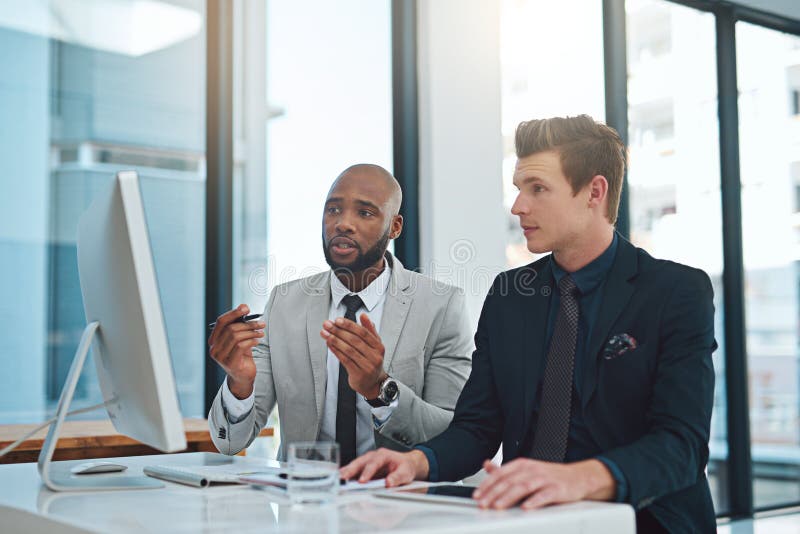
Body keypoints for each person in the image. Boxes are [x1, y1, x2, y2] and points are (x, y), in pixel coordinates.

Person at [341, 116, 717, 533]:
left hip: (642, 521)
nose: (519, 205)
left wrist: (578, 479)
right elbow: (478, 427)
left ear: (594, 192)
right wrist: (417, 461)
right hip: (526, 520)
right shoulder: (509, 294)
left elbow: (681, 446)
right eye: (519, 188)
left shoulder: (675, 292)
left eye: (537, 188)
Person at [207, 163, 473, 465]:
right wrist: (239, 384)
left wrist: (380, 389)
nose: (343, 224)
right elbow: (230, 442)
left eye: (365, 213)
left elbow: (454, 436)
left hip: (398, 502)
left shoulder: (441, 305)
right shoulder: (284, 302)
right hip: (307, 502)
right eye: (333, 210)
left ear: (395, 227)